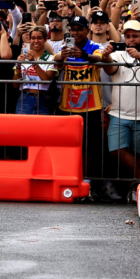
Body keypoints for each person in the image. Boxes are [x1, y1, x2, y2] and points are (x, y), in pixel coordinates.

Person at [53, 15, 108, 195]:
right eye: (73, 29)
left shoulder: (95, 47)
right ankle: (68, 178)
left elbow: (98, 59)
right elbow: (56, 63)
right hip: (67, 106)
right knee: (67, 145)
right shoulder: (65, 47)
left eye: (79, 29)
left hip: (91, 106)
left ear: (87, 30)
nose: (75, 32)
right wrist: (62, 56)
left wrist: (83, 55)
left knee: (90, 147)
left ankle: (88, 183)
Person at [101, 20, 140, 195]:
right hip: (119, 113)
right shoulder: (118, 52)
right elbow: (110, 70)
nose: (131, 39)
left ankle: (137, 187)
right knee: (116, 150)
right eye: (128, 36)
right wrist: (106, 56)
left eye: (135, 36)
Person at [12, 26, 57, 115]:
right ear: (30, 40)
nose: (36, 41)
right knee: (23, 128)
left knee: (44, 128)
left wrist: (34, 62)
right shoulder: (23, 57)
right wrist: (18, 65)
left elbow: (46, 80)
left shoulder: (51, 58)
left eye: (39, 38)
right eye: (33, 38)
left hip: (44, 100)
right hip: (25, 98)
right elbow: (15, 84)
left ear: (45, 40)